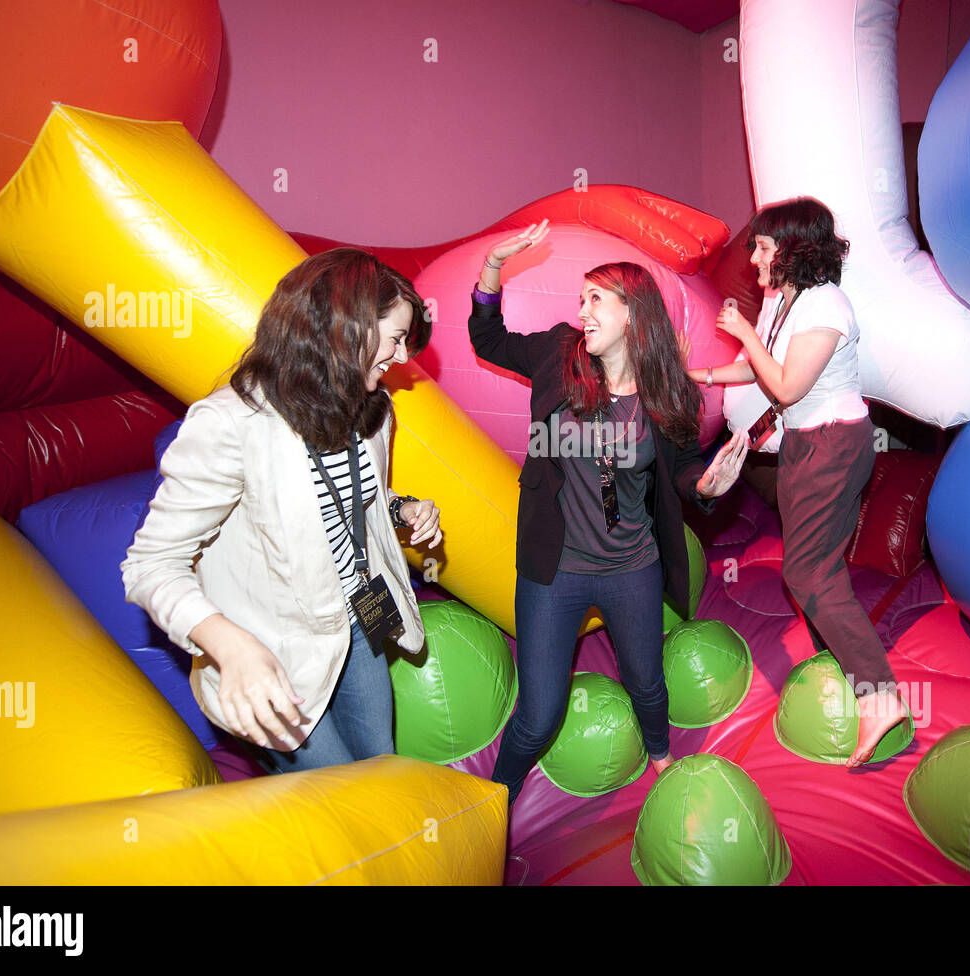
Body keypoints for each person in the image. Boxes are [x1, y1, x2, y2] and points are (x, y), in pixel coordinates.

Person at [122, 248, 442, 772]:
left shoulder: (371, 411)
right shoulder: (232, 423)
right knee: (337, 799)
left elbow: (341, 501)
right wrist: (230, 645)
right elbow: (150, 565)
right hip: (279, 648)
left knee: (382, 770)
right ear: (345, 329)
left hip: (358, 617)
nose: (403, 358)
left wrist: (400, 507)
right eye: (396, 339)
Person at [469, 220, 747, 805]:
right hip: (557, 567)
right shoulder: (558, 354)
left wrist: (707, 482)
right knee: (540, 714)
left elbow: (682, 467)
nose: (584, 311)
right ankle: (494, 802)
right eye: (581, 301)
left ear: (632, 314)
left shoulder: (667, 390)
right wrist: (492, 267)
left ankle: (662, 762)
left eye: (596, 300)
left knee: (647, 684)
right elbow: (487, 339)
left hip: (631, 565)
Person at [686, 197, 909, 767]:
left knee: (808, 570)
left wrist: (744, 332)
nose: (753, 256)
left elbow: (785, 387)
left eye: (762, 246)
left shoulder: (826, 304)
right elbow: (755, 367)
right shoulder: (780, 300)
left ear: (791, 250)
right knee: (813, 567)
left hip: (834, 443)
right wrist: (704, 373)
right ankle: (838, 664)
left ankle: (880, 695)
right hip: (807, 444)